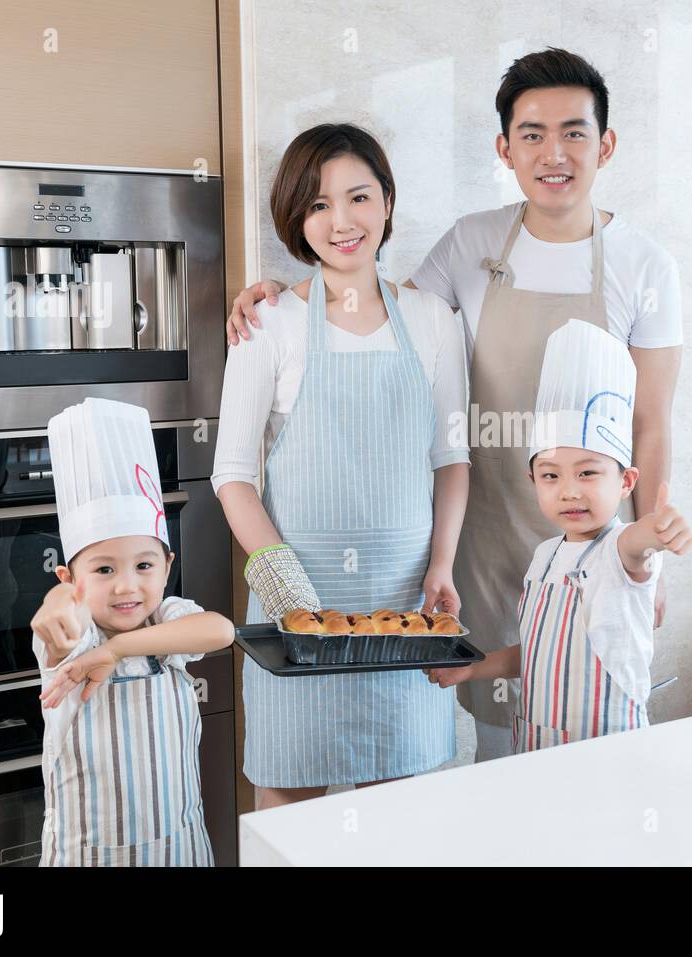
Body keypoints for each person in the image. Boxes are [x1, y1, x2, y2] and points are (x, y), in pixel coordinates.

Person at [226, 49, 683, 761]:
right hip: (483, 543)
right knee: (496, 749)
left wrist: (649, 556)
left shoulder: (645, 264)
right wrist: (275, 292)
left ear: (606, 143)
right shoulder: (471, 244)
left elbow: (652, 425)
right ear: (505, 148)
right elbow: (366, 300)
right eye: (531, 134)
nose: (553, 152)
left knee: (591, 732)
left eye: (573, 131)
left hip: (598, 547)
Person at [212, 124, 469, 808]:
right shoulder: (267, 323)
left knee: (396, 820)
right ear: (297, 219)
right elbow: (232, 474)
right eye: (318, 204)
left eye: (358, 196)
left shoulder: (433, 319)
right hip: (296, 609)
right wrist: (286, 584)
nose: (341, 220)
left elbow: (451, 459)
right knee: (292, 814)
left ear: (386, 200)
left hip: (405, 602)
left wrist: (441, 565)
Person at [426, 321, 692, 750]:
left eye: (588, 473)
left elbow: (639, 543)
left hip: (607, 752)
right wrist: (472, 669)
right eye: (551, 476)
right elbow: (535, 657)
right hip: (538, 747)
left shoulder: (619, 551)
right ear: (534, 480)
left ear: (626, 481)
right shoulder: (545, 556)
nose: (569, 490)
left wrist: (658, 530)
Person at [31, 398, 235, 866]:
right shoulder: (78, 642)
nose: (127, 585)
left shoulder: (168, 620)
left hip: (180, 848)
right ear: (69, 578)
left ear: (167, 567)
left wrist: (121, 647)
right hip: (90, 857)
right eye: (103, 569)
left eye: (144, 565)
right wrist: (59, 607)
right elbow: (59, 631)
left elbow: (220, 630)